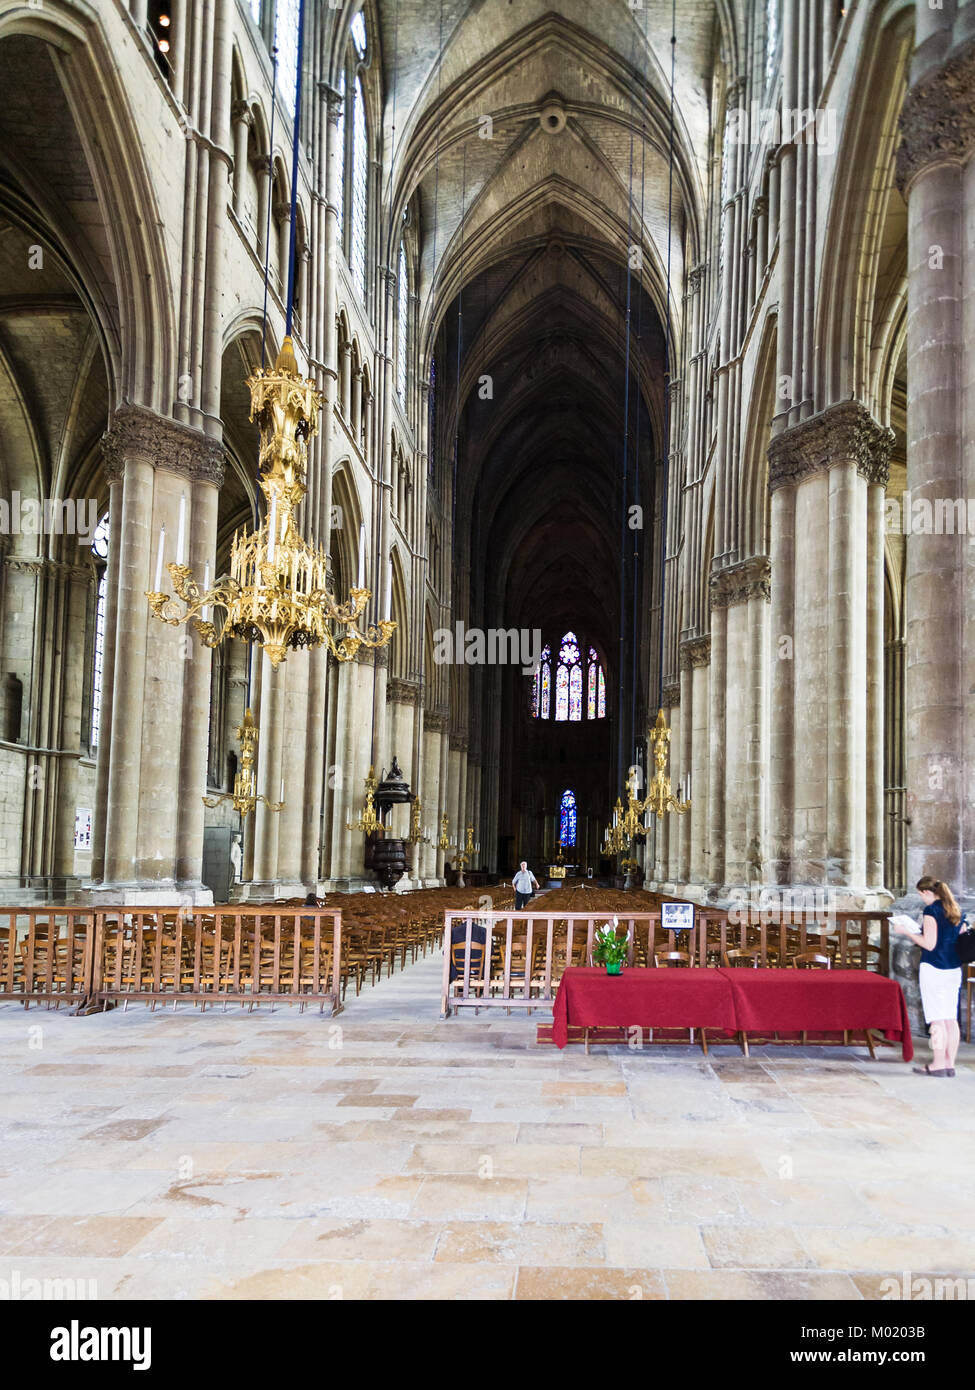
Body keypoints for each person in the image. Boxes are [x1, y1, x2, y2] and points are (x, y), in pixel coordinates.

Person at [892, 876, 963, 1077]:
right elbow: (958, 937)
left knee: (937, 1019)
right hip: (953, 968)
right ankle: (950, 1064)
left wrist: (906, 931)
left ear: (927, 892)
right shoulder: (956, 910)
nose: (922, 899)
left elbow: (929, 943)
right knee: (950, 1018)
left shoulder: (932, 910)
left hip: (934, 968)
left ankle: (938, 1064)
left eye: (921, 894)